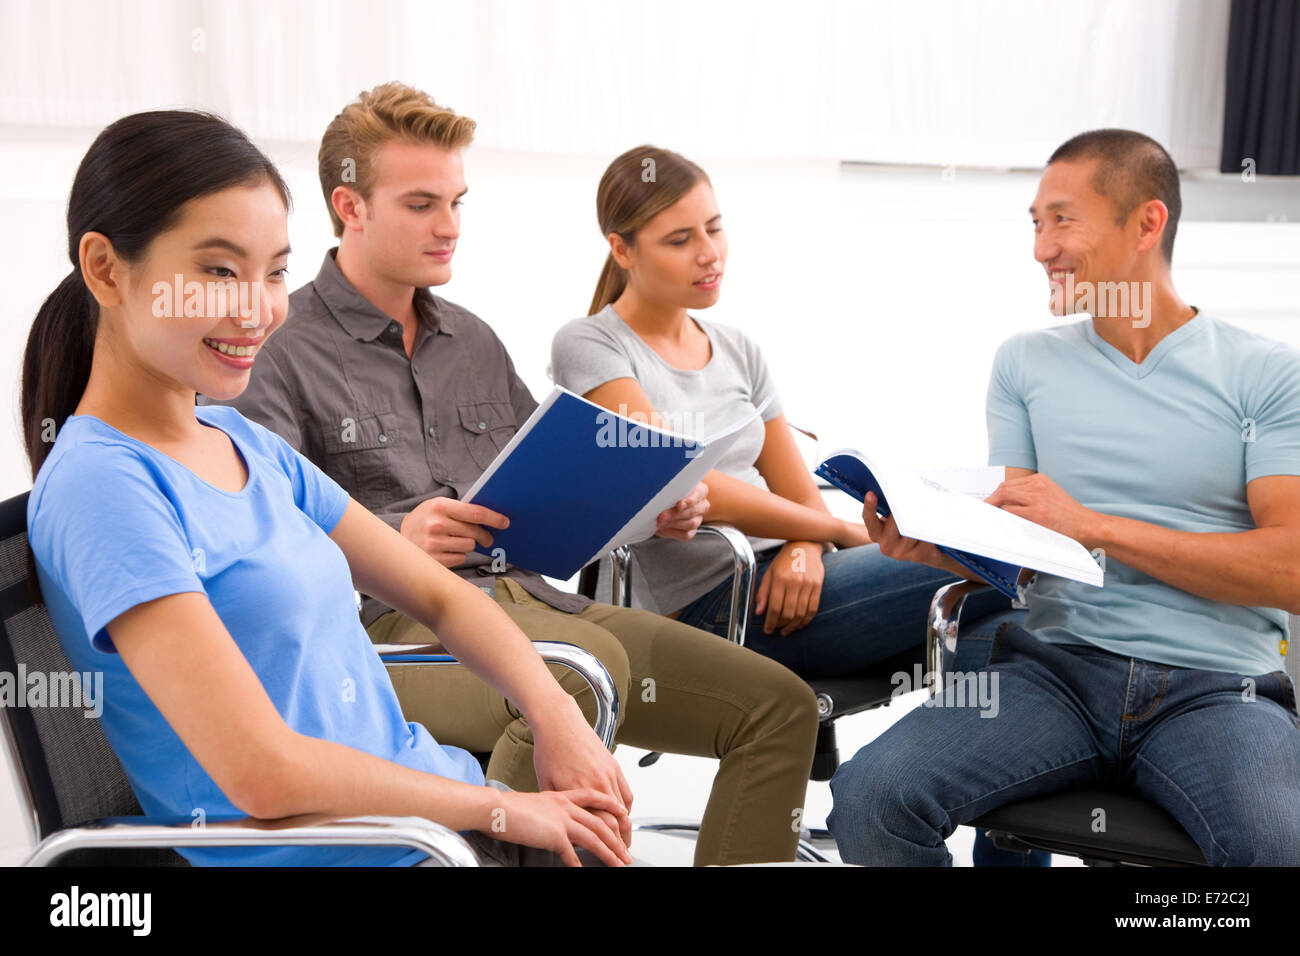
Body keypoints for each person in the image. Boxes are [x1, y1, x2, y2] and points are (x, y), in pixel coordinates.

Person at [207, 83, 821, 866]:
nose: (450, 227)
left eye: (458, 202)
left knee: (776, 706)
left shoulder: (473, 340)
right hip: (389, 636)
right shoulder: (279, 349)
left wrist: (652, 504)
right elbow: (260, 550)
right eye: (423, 204)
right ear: (350, 207)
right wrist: (398, 539)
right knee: (576, 679)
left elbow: (556, 488)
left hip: (531, 598)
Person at [23, 109, 635, 867]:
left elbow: (441, 596)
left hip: (432, 834)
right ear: (107, 269)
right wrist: (503, 809)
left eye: (274, 272)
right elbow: (263, 773)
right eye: (218, 271)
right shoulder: (103, 486)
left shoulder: (242, 442)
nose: (257, 310)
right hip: (381, 851)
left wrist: (553, 712)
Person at [826, 129, 1300, 866]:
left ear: (1147, 223)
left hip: (1219, 691)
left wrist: (1094, 527)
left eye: (1062, 220)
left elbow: (1289, 570)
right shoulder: (1025, 363)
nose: (1042, 248)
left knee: (1274, 847)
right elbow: (1028, 555)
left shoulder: (1267, 375)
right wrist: (940, 544)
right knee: (871, 796)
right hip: (1056, 674)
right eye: (1035, 223)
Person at [549, 145, 958, 682]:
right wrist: (840, 530)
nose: (709, 254)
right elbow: (676, 475)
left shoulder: (739, 348)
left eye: (714, 229)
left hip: (790, 579)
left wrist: (806, 548)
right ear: (621, 250)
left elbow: (798, 492)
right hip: (713, 607)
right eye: (680, 239)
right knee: (969, 572)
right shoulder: (590, 344)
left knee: (988, 612)